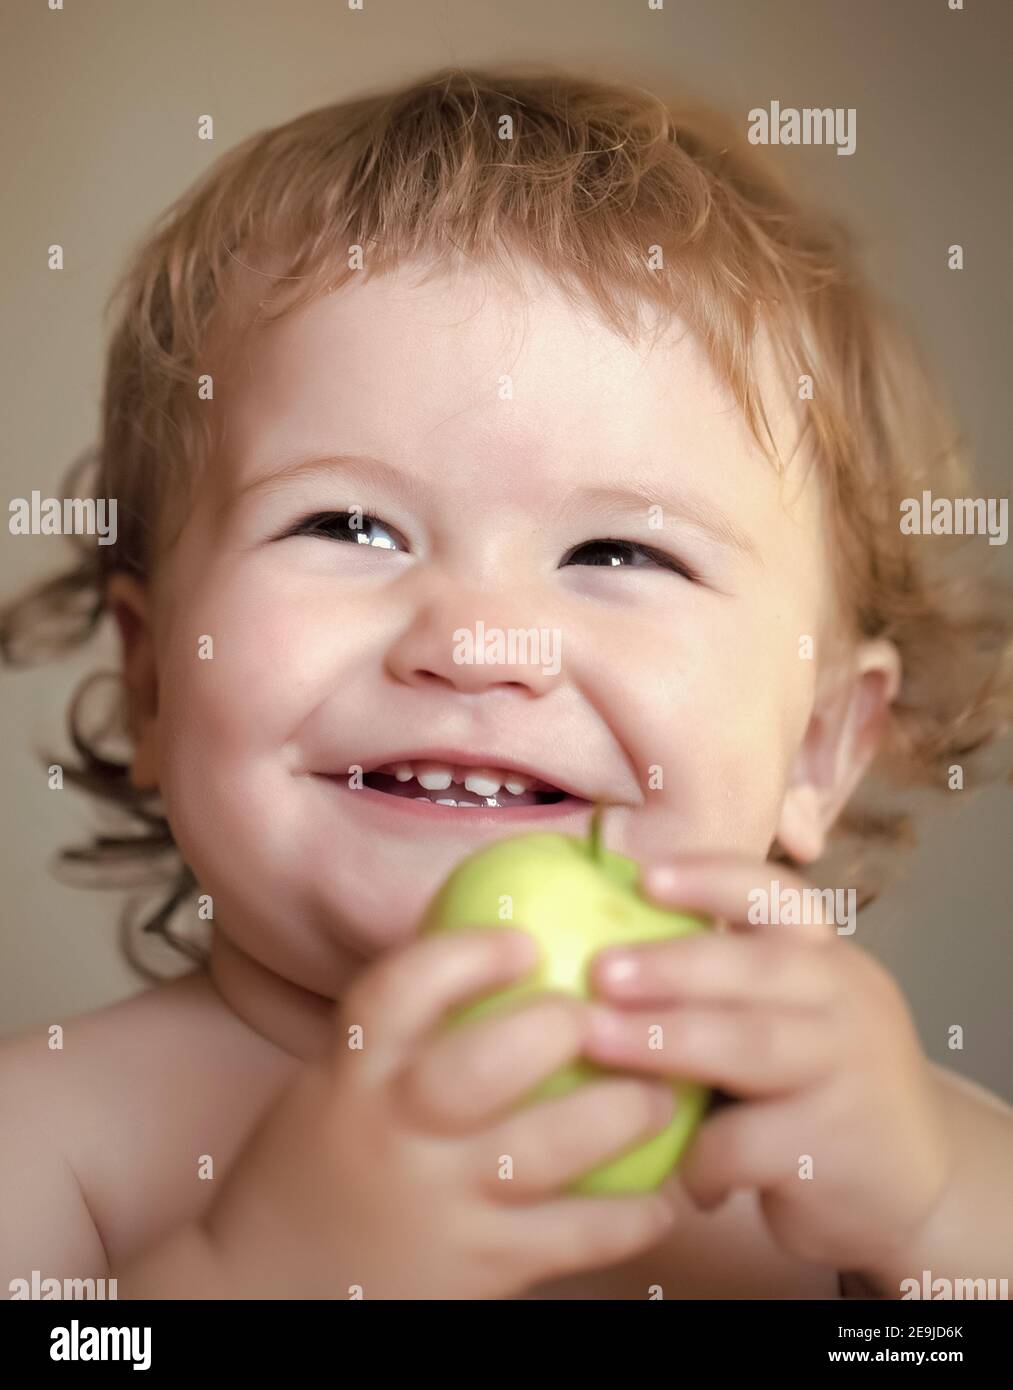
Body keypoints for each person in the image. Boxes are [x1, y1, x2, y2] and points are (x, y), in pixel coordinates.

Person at [2, 66, 1011, 1300]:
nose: (478, 644)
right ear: (155, 681)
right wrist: (262, 1273)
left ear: (818, 745)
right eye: (349, 526)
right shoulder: (50, 1141)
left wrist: (932, 1208)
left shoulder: (873, 1145)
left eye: (617, 551)